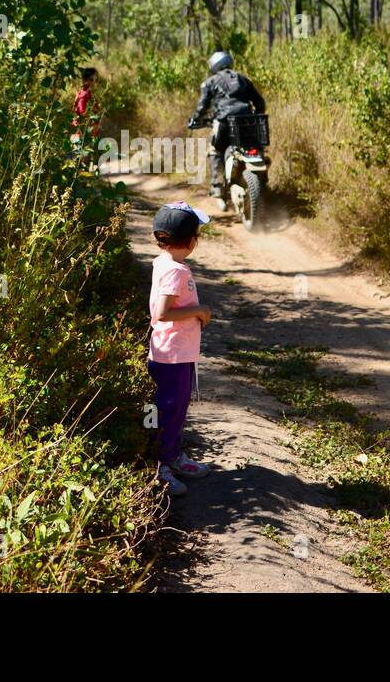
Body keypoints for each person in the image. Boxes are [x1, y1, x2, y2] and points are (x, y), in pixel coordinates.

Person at [147, 202, 214, 496]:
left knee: (174, 408)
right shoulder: (176, 271)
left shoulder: (163, 263)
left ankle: (172, 456)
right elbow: (162, 313)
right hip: (172, 355)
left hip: (174, 353)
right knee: (169, 409)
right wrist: (198, 311)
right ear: (190, 241)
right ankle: (160, 466)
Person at [187, 51, 266, 200]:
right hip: (247, 122)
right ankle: (263, 187)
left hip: (223, 122)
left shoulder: (210, 81)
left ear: (214, 65)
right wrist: (255, 115)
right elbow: (259, 102)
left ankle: (217, 187)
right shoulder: (243, 79)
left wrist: (196, 119)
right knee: (256, 149)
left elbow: (202, 105)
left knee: (215, 150)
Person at [71, 67, 100, 156]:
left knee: (79, 153)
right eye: (92, 79)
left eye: (94, 79)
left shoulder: (83, 92)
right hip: (84, 127)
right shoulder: (85, 94)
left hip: (83, 126)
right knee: (81, 154)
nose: (93, 82)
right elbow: (82, 112)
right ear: (85, 80)